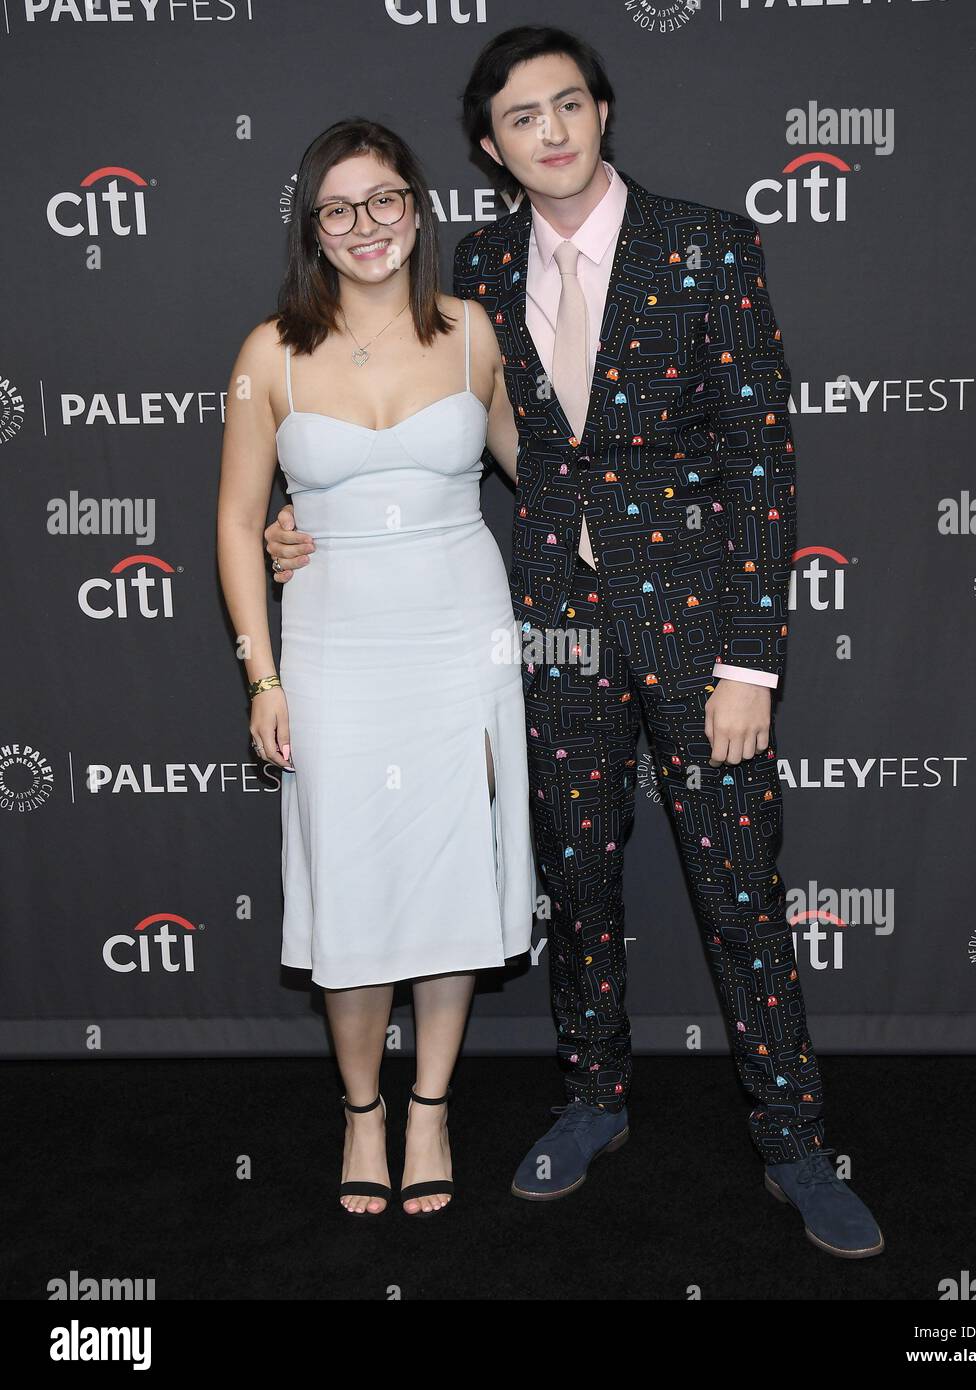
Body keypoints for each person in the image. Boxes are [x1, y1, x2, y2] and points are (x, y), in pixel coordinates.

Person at [264, 27, 883, 1258]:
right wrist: (305, 512)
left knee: (736, 887)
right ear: (489, 150)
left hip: (700, 623)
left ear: (601, 110)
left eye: (565, 106)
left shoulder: (707, 245)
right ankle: (594, 1098)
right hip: (544, 622)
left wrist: (750, 657)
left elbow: (763, 459)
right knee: (577, 875)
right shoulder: (475, 274)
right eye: (518, 120)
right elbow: (403, 412)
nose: (547, 132)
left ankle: (794, 1143)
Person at [216, 117, 536, 1218]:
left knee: (451, 881)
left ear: (416, 206)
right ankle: (362, 1111)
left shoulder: (470, 333)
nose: (366, 226)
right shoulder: (271, 354)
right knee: (350, 891)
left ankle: (432, 1104)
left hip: (462, 638)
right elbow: (232, 519)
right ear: (313, 227)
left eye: (384, 199)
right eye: (339, 208)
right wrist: (263, 678)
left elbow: (539, 475)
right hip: (336, 650)